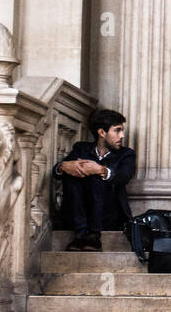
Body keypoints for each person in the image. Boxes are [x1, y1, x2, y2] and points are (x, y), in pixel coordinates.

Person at [55, 108, 135, 252]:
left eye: (122, 131)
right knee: (74, 172)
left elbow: (124, 176)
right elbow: (57, 173)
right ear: (102, 132)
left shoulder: (126, 154)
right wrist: (63, 166)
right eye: (117, 130)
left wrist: (101, 170)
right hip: (80, 212)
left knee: (96, 175)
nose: (122, 135)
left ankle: (93, 235)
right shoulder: (81, 149)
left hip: (108, 214)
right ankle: (81, 233)